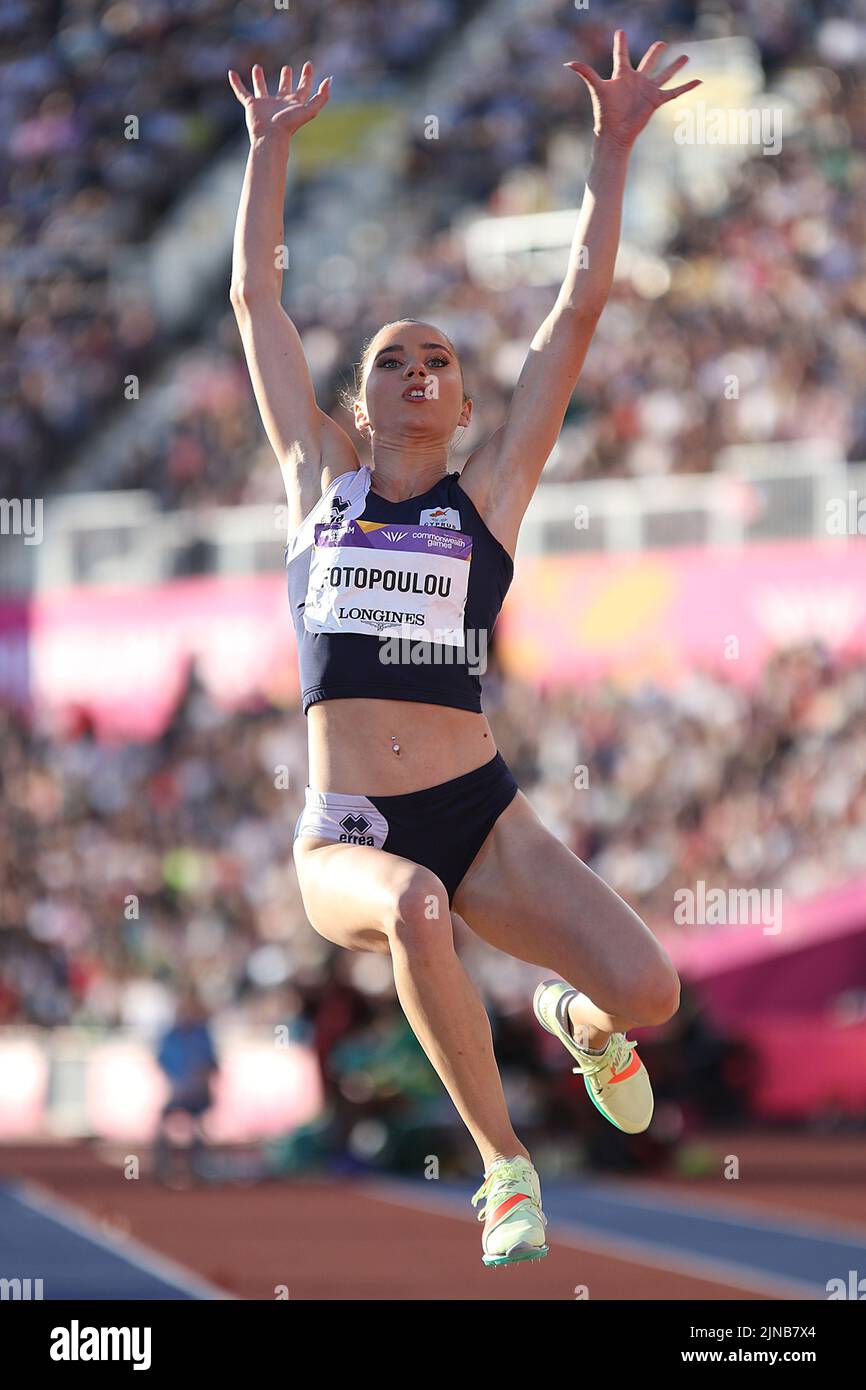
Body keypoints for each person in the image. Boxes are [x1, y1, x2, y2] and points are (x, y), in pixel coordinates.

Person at [228, 31, 700, 1267]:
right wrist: (267, 153)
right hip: (350, 834)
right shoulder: (312, 484)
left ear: (464, 406)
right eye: (395, 357)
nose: (421, 368)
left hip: (478, 806)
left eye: (440, 359)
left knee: (650, 996)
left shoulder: (483, 499)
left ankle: (577, 1021)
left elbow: (576, 307)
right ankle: (502, 1169)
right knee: (416, 908)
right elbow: (254, 301)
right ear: (357, 399)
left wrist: (610, 147)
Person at [153, 986, 219, 1188]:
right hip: (179, 1093)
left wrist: (198, 1081)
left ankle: (198, 1168)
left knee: (198, 1128)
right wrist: (179, 1083)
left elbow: (212, 1065)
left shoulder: (202, 1035)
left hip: (199, 1094)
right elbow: (163, 1062)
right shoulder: (171, 1036)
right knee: (162, 1126)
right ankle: (163, 1170)